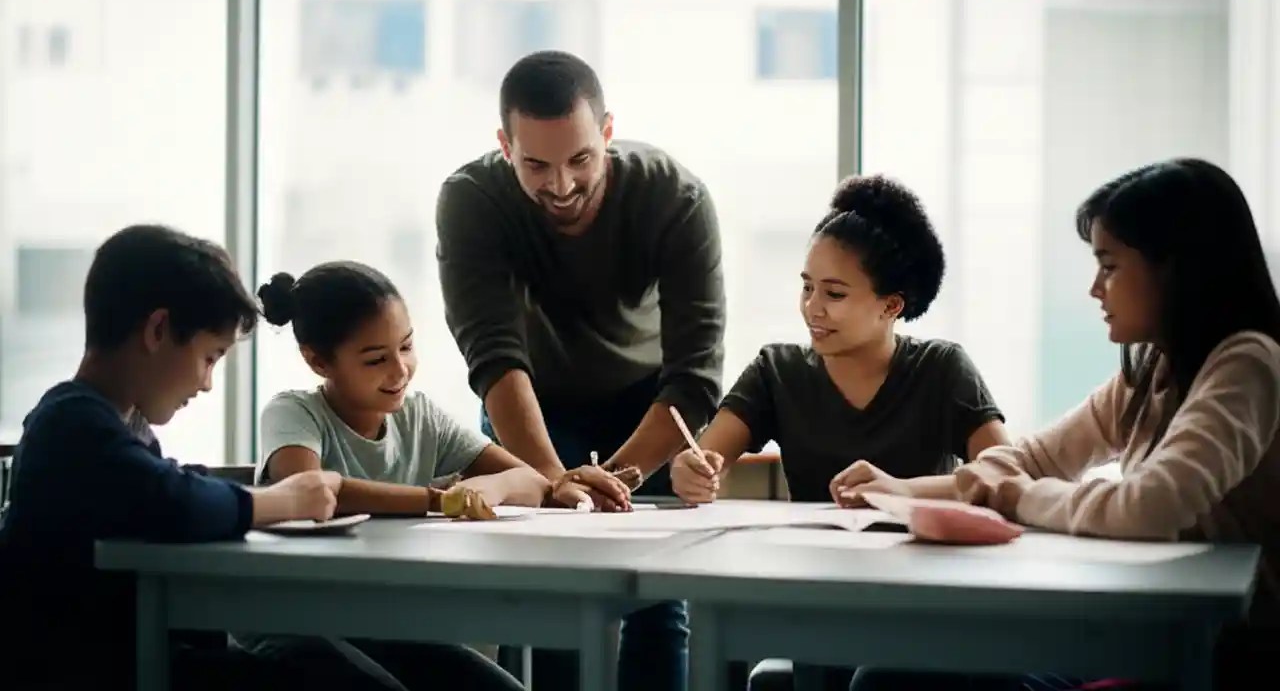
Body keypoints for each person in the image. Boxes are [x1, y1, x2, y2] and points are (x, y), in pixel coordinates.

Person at [841, 158, 1280, 690]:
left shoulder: (1248, 364)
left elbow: (1150, 508)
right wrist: (904, 490)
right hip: (1155, 640)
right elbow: (1031, 458)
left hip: (1223, 658)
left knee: (894, 681)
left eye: (1111, 265)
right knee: (891, 671)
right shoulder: (1153, 372)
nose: (1096, 288)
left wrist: (1020, 496)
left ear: (1176, 266)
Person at [436, 50, 725, 691]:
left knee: (657, 597)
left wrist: (612, 482)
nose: (561, 185)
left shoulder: (675, 197)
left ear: (609, 133)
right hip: (529, 404)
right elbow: (493, 356)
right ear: (504, 144)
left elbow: (696, 374)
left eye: (580, 159)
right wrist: (550, 478)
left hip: (647, 402)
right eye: (535, 164)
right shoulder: (472, 199)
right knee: (542, 594)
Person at [669, 174, 1010, 691]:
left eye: (834, 293)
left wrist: (900, 492)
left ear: (890, 305)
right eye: (806, 287)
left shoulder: (942, 369)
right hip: (818, 594)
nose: (812, 307)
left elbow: (1005, 474)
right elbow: (705, 456)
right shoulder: (776, 370)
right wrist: (690, 471)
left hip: (920, 598)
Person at [239, 260, 615, 690]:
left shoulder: (420, 417)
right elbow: (308, 491)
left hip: (379, 623)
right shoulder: (294, 413)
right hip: (290, 617)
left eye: (406, 346)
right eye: (376, 359)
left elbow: (531, 482)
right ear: (319, 362)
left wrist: (481, 490)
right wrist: (436, 500)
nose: (400, 369)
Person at [0, 224, 343, 690]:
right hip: (91, 669)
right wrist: (286, 501)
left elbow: (167, 484)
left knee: (320, 656)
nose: (206, 384)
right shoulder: (69, 424)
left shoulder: (123, 423)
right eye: (209, 358)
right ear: (159, 330)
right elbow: (170, 498)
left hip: (138, 652)